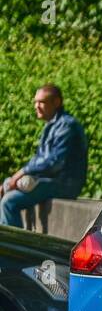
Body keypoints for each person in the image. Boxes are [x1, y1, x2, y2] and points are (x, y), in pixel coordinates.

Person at [1, 85, 88, 228]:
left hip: (65, 184)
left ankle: (16, 248)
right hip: (51, 181)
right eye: (35, 102)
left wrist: (22, 173)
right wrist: (16, 179)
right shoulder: (53, 125)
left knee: (9, 202)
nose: (36, 106)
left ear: (57, 102)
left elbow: (54, 162)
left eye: (41, 102)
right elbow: (40, 159)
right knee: (6, 186)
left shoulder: (67, 125)